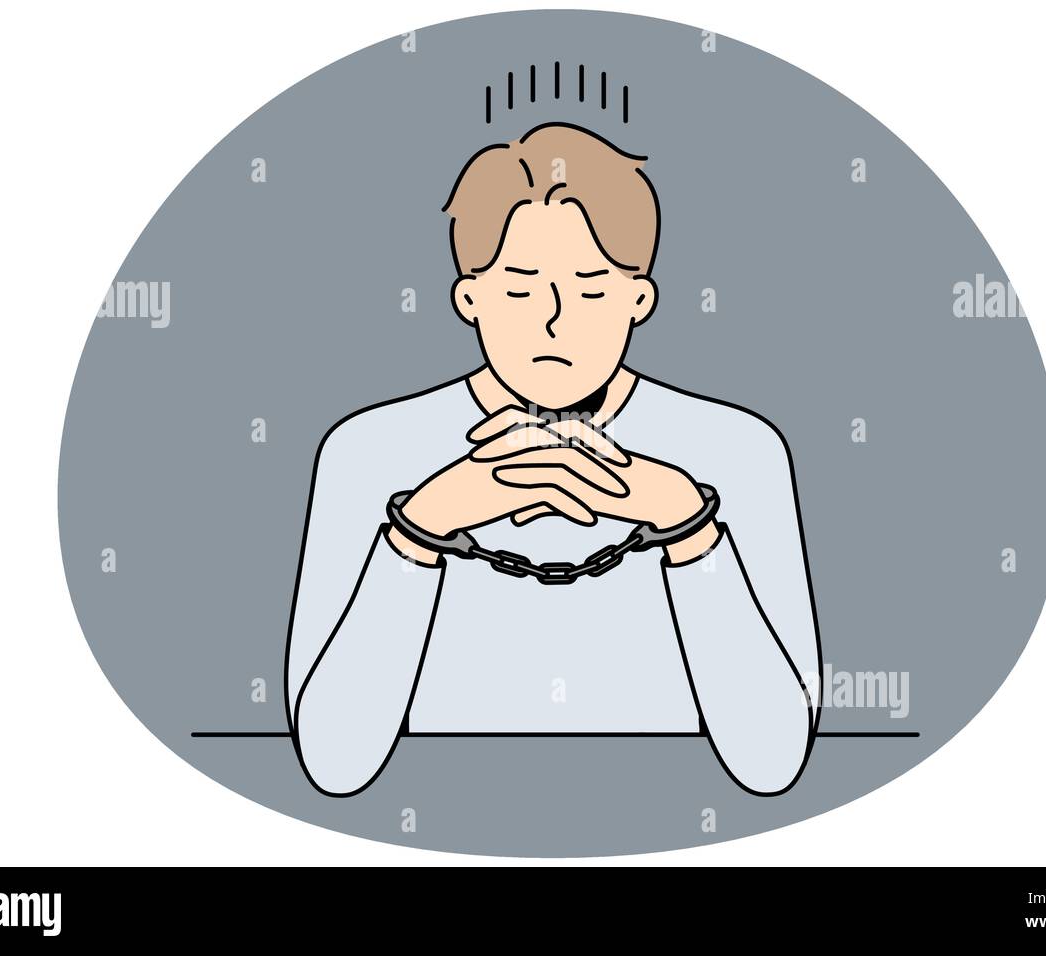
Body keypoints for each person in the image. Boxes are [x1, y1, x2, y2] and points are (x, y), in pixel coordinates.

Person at [284, 122, 822, 797]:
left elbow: (772, 762)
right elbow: (335, 763)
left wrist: (688, 526)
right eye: (518, 289)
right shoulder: (368, 453)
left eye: (592, 288)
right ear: (468, 299)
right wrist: (420, 530)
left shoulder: (738, 452)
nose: (554, 318)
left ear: (640, 299)